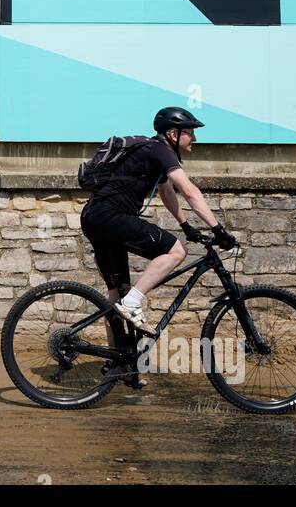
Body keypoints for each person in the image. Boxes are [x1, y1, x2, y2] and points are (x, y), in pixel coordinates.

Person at [80, 107, 237, 346]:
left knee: (118, 291)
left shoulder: (151, 151)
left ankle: (118, 362)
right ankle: (133, 303)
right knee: (176, 252)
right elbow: (189, 191)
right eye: (190, 133)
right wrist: (218, 229)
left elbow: (167, 193)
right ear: (174, 134)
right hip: (111, 217)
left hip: (95, 217)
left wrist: (185, 225)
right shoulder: (161, 150)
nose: (194, 138)